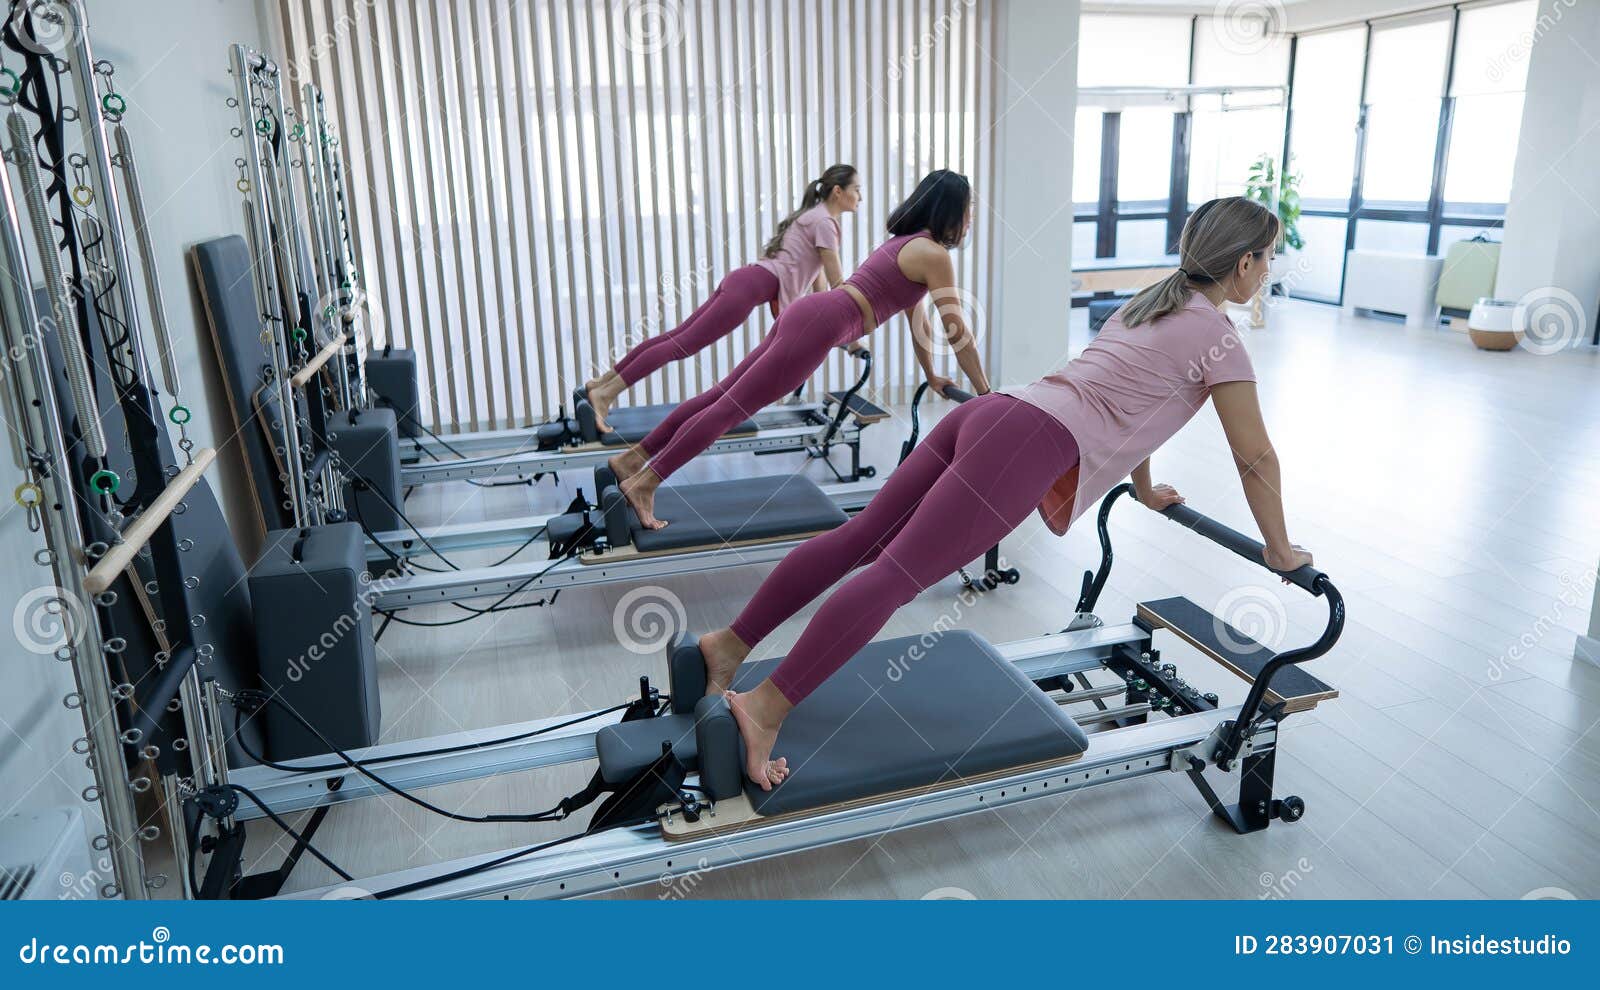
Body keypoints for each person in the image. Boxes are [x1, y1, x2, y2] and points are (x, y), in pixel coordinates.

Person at [697, 196, 1317, 790]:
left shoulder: (1151, 305)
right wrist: (1280, 550)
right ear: (1244, 262)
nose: (1266, 272)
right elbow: (1254, 456)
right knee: (896, 575)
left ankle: (727, 644)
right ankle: (763, 709)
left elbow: (1135, 404)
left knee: (860, 540)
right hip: (1028, 443)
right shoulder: (1219, 337)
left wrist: (1147, 488)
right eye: (1265, 259)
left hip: (997, 412)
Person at [609, 169, 990, 529]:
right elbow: (957, 331)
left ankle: (633, 458)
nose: (971, 218)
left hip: (809, 316)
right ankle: (645, 483)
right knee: (729, 410)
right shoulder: (934, 255)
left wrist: (930, 376)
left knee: (720, 397)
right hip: (818, 326)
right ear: (952, 210)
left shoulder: (906, 244)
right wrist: (987, 394)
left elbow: (918, 321)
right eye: (969, 208)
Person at [582, 165, 860, 432]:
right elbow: (838, 284)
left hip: (743, 280)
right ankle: (605, 394)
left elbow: (820, 289)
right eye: (856, 190)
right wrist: (852, 332)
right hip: (748, 290)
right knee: (680, 345)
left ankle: (601, 384)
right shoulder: (825, 222)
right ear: (838, 191)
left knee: (675, 337)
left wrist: (834, 329)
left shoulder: (813, 215)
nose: (859, 196)